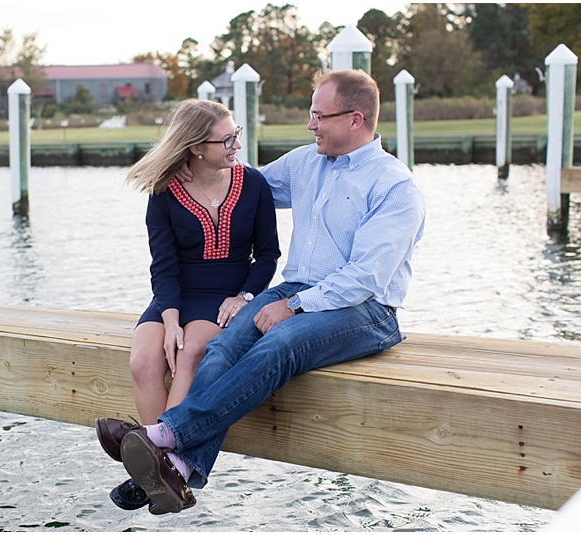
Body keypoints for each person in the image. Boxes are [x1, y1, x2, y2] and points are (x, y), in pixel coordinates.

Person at [96, 68, 426, 515]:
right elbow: (240, 184)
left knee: (280, 343)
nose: (310, 125)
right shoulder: (306, 162)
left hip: (367, 309)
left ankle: (163, 436)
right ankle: (178, 470)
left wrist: (294, 305)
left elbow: (366, 278)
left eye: (319, 116)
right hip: (298, 290)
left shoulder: (394, 185)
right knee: (221, 349)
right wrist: (189, 163)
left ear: (355, 119)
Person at [97, 98, 280, 513]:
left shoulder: (254, 184)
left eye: (236, 134)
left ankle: (156, 472)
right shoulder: (163, 192)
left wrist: (245, 296)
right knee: (143, 361)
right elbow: (162, 265)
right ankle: (162, 473)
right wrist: (170, 319)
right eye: (226, 139)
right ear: (196, 147)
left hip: (227, 296)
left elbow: (268, 255)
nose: (237, 144)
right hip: (175, 294)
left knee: (190, 351)